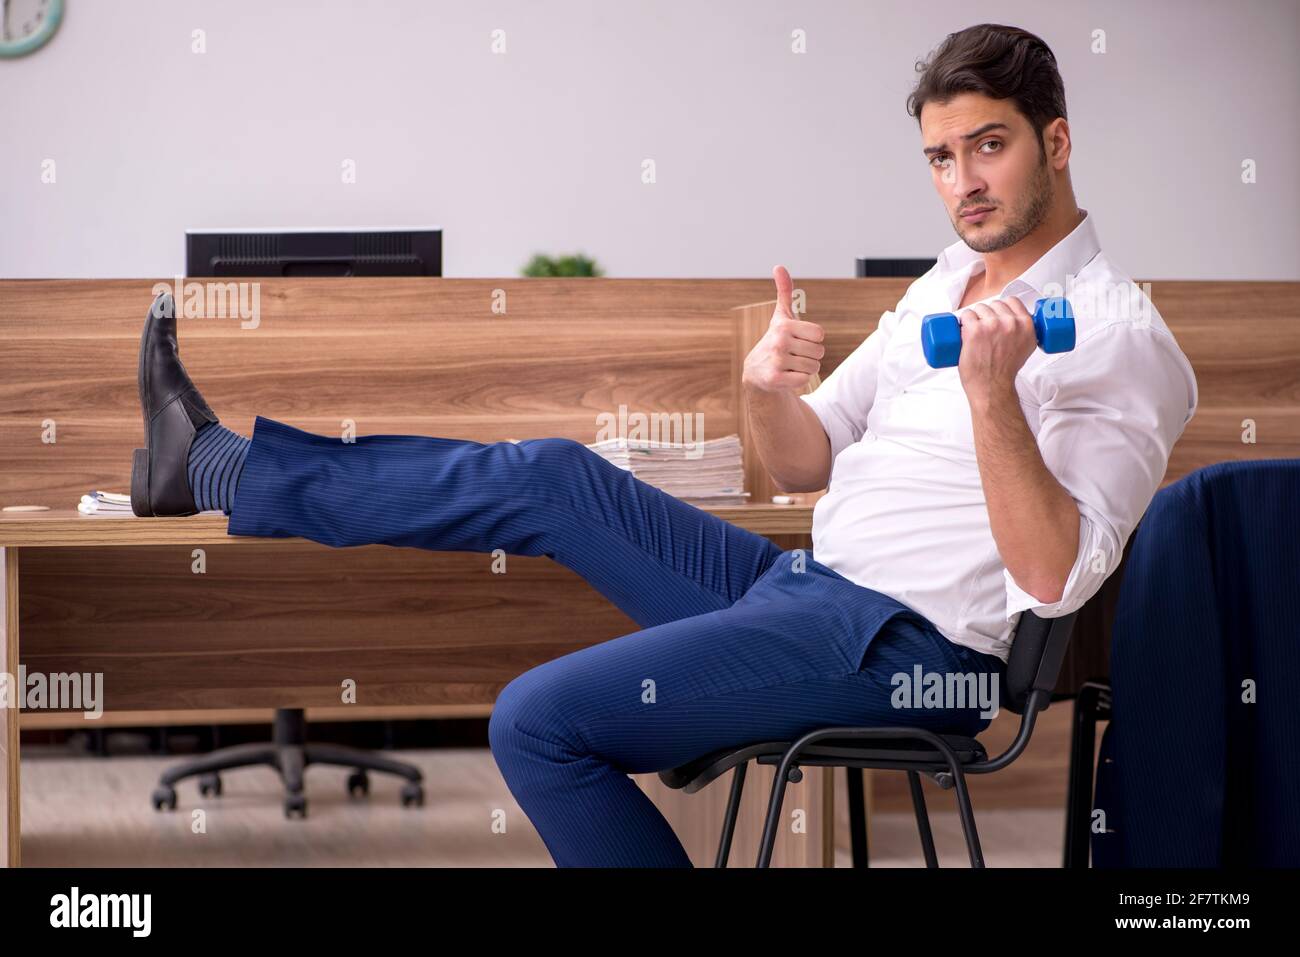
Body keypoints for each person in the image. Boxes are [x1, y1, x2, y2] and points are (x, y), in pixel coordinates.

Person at [129, 23, 1196, 867]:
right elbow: (803, 461)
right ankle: (215, 465)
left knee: (536, 722)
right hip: (800, 587)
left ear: (1055, 141)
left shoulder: (1122, 339)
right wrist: (763, 389)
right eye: (939, 157)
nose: (963, 180)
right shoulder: (945, 283)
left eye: (989, 146)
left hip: (916, 658)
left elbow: (1056, 580)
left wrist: (991, 398)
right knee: (551, 474)